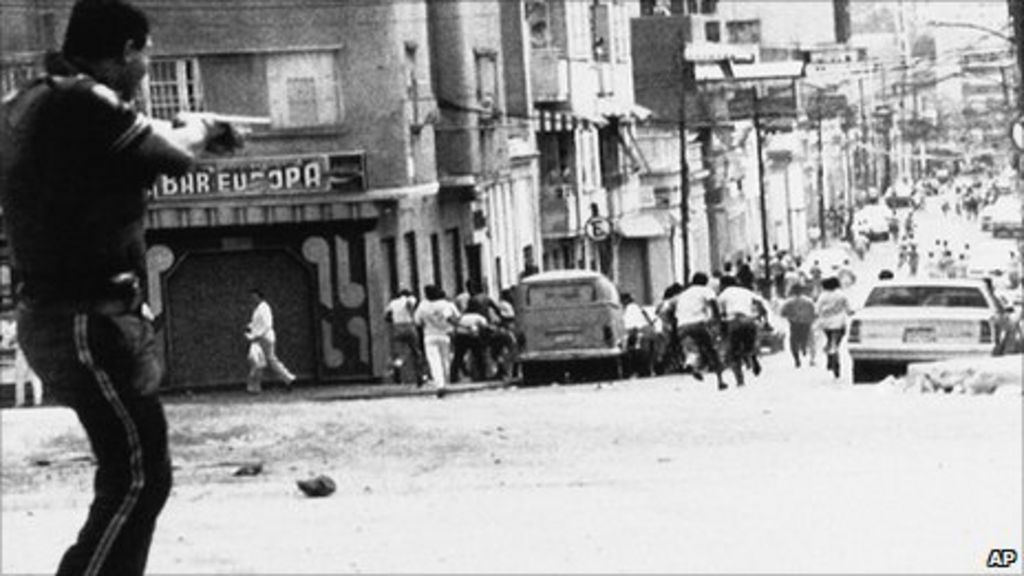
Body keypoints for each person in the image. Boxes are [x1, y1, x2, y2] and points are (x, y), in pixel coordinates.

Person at [0, 1, 234, 573]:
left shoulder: (35, 100)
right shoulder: (83, 101)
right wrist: (199, 128)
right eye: (147, 55)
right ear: (127, 50)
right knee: (138, 477)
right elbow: (173, 155)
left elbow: (130, 143)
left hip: (66, 316)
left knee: (132, 476)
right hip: (85, 318)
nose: (148, 67)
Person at [663, 272, 724, 389]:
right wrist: (717, 320)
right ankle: (720, 381)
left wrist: (672, 322)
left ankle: (692, 365)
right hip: (699, 323)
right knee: (712, 350)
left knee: (691, 349)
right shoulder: (706, 290)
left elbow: (667, 308)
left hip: (682, 326)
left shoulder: (682, 294)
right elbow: (713, 304)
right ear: (705, 282)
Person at [717, 275, 768, 386]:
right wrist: (762, 316)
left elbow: (719, 314)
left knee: (733, 353)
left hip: (734, 321)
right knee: (749, 346)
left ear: (723, 284)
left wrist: (721, 330)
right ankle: (753, 357)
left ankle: (740, 381)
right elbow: (760, 302)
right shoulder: (746, 291)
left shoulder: (723, 294)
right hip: (749, 321)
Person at [245, 289, 297, 394]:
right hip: (260, 338)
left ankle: (254, 387)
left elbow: (267, 325)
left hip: (263, 338)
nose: (252, 299)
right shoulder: (259, 309)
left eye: (254, 297)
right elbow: (258, 323)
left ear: (259, 297)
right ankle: (288, 379)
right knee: (266, 361)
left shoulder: (264, 308)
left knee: (257, 360)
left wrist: (256, 336)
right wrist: (250, 326)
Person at [414, 285, 460, 396]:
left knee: (434, 361)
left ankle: (440, 384)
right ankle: (445, 381)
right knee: (445, 359)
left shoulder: (423, 306)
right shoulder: (445, 304)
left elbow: (417, 321)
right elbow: (454, 318)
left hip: (429, 336)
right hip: (444, 335)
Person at [815, 277, 855, 379]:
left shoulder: (822, 296)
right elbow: (848, 309)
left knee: (830, 339)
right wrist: (852, 312)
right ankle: (834, 357)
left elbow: (817, 310)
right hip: (839, 323)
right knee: (836, 342)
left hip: (825, 323)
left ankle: (830, 354)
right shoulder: (841, 295)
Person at [384, 288, 424, 385]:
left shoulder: (392, 303)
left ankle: (397, 365)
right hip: (409, 326)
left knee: (401, 352)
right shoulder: (410, 299)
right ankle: (420, 376)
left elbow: (386, 316)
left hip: (397, 327)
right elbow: (411, 304)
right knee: (416, 352)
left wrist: (394, 321)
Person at [779, 284, 817, 368]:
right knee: (810, 340)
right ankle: (811, 358)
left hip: (794, 324)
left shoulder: (788, 302)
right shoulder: (809, 301)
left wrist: (791, 315)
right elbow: (815, 313)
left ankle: (797, 359)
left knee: (793, 342)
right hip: (806, 324)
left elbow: (782, 313)